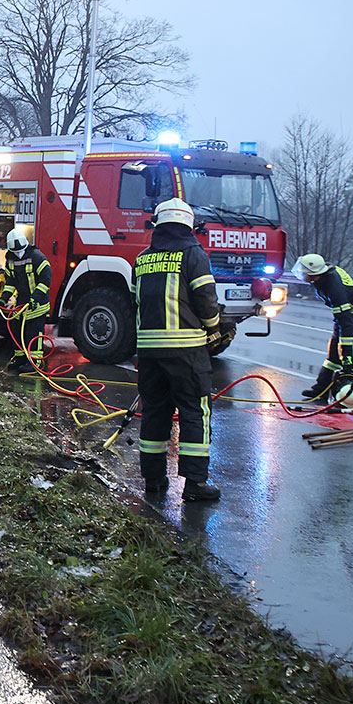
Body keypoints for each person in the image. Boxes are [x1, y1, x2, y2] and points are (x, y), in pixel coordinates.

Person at [133, 197, 222, 502]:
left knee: (155, 412)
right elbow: (206, 300)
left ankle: (154, 480)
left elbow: (137, 302)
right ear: (188, 225)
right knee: (194, 412)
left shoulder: (142, 258)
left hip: (148, 352)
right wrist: (213, 327)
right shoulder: (194, 254)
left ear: (157, 224)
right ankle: (195, 484)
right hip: (186, 351)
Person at [291, 253, 353, 400]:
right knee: (334, 347)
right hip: (346, 306)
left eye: (304, 273)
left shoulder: (334, 289)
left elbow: (346, 323)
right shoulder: (321, 280)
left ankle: (350, 389)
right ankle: (321, 389)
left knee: (350, 342)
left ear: (314, 274)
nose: (302, 275)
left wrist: (347, 353)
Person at [0, 227, 51, 372]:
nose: (18, 254)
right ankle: (21, 358)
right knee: (17, 331)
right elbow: (10, 283)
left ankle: (36, 362)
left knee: (33, 333)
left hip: (37, 304)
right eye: (15, 252)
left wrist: (35, 299)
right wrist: (3, 298)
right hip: (22, 303)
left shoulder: (37, 257)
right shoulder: (10, 260)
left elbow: (45, 281)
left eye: (20, 251)